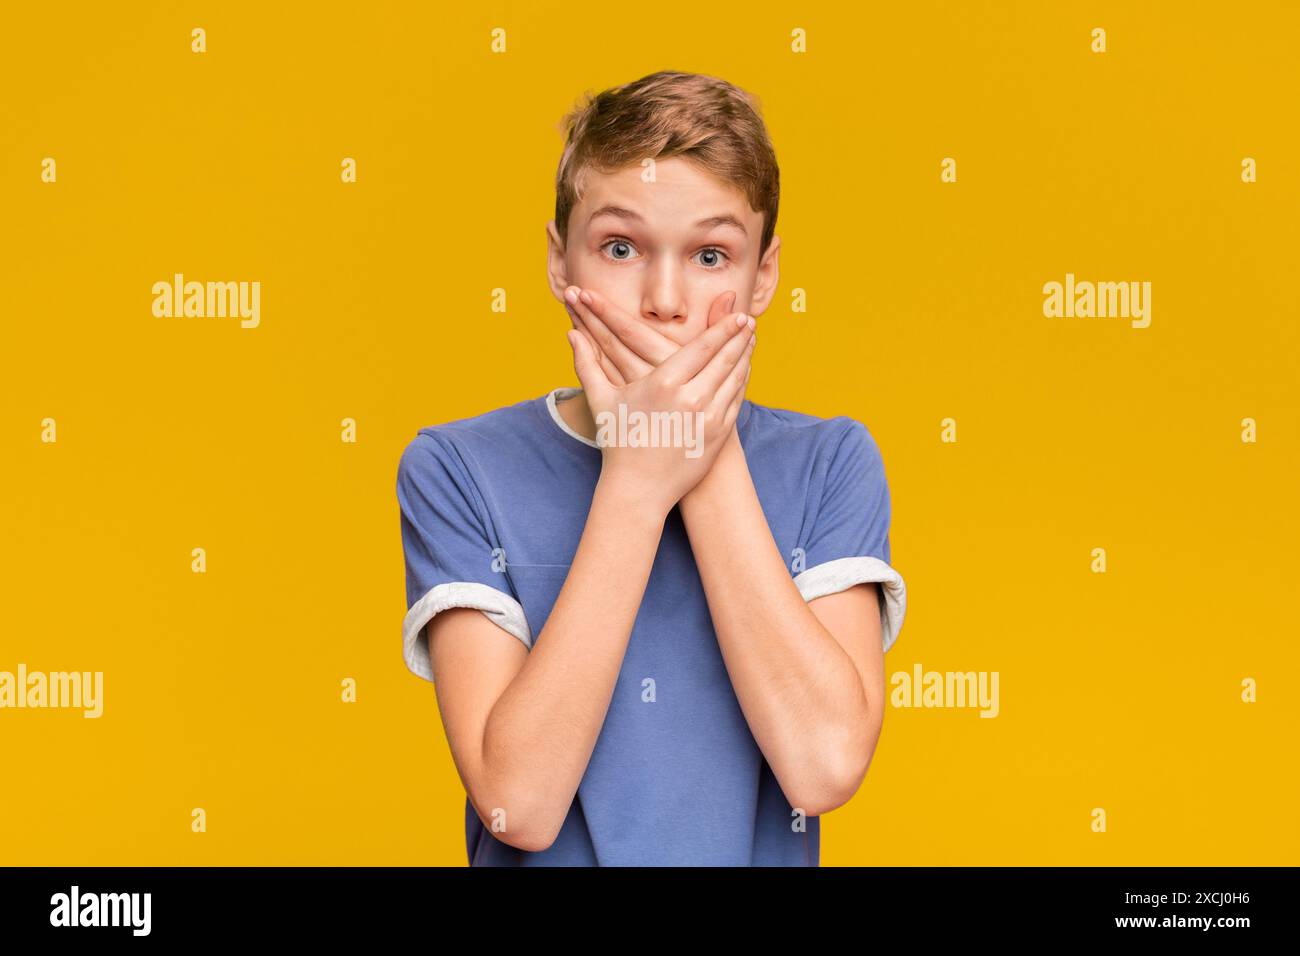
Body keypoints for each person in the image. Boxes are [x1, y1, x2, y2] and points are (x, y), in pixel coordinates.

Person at [396, 70, 907, 865]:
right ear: (560, 262)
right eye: (621, 247)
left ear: (761, 276)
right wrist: (634, 486)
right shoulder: (457, 468)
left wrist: (703, 456)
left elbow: (824, 765)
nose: (663, 299)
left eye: (709, 254)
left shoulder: (830, 463)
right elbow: (517, 803)